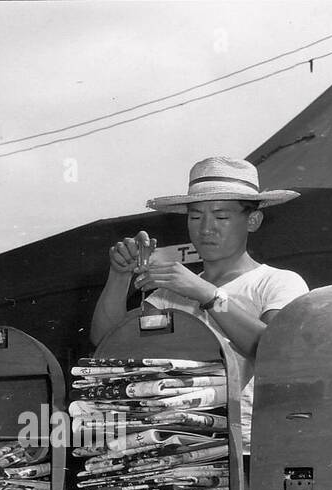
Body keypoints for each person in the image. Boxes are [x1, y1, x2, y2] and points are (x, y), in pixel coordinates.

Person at [90, 156, 309, 449]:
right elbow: (107, 344)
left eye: (221, 217)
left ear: (253, 220)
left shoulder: (278, 283)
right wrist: (119, 275)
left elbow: (271, 351)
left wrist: (207, 294)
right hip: (177, 448)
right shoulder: (170, 293)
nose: (207, 228)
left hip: (249, 448)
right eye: (195, 217)